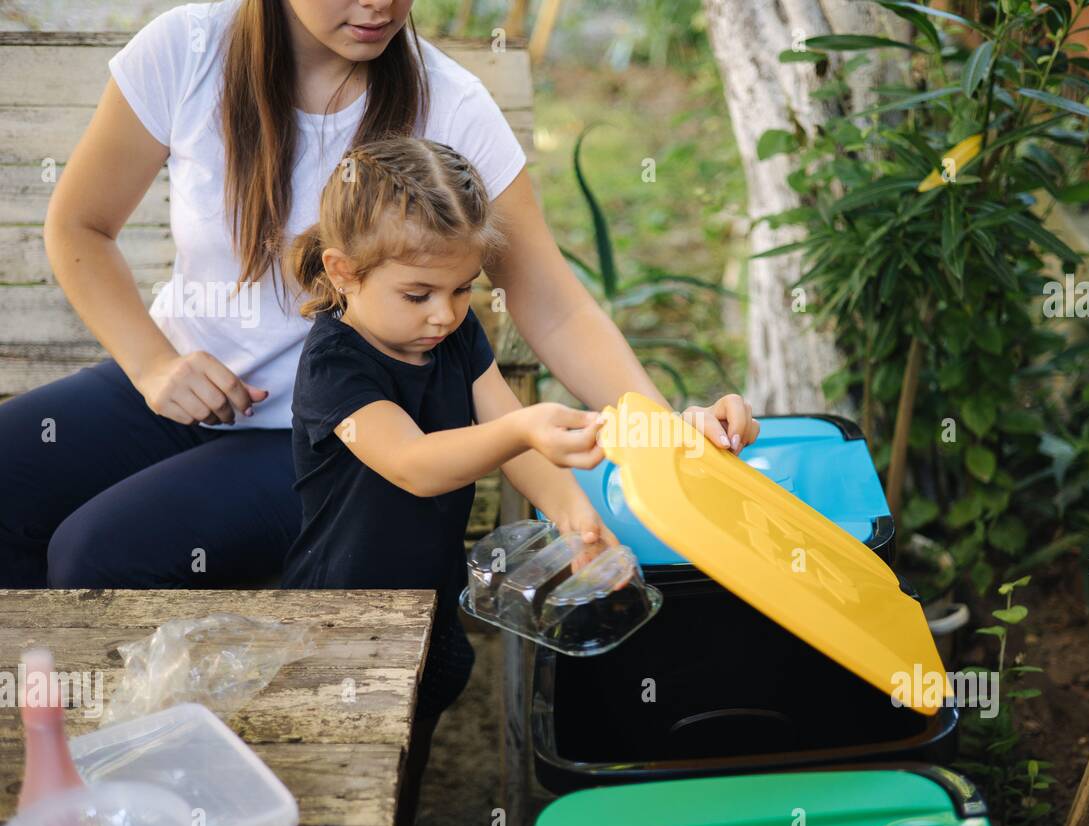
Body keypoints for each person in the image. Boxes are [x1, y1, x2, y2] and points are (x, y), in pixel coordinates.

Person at [1, 0, 757, 588]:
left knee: (96, 552)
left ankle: (170, 764)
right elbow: (80, 226)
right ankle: (44, 738)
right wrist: (153, 365)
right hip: (186, 384)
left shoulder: (451, 106)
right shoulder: (187, 51)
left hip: (339, 432)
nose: (379, 8)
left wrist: (664, 438)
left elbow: (553, 303)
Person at [281, 135, 617, 765]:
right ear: (343, 272)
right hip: (343, 608)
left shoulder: (456, 334)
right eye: (419, 295)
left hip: (431, 592)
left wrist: (572, 514)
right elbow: (414, 466)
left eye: (463, 289)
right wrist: (521, 431)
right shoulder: (335, 366)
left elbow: (511, 433)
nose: (445, 313)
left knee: (411, 753)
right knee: (348, 765)